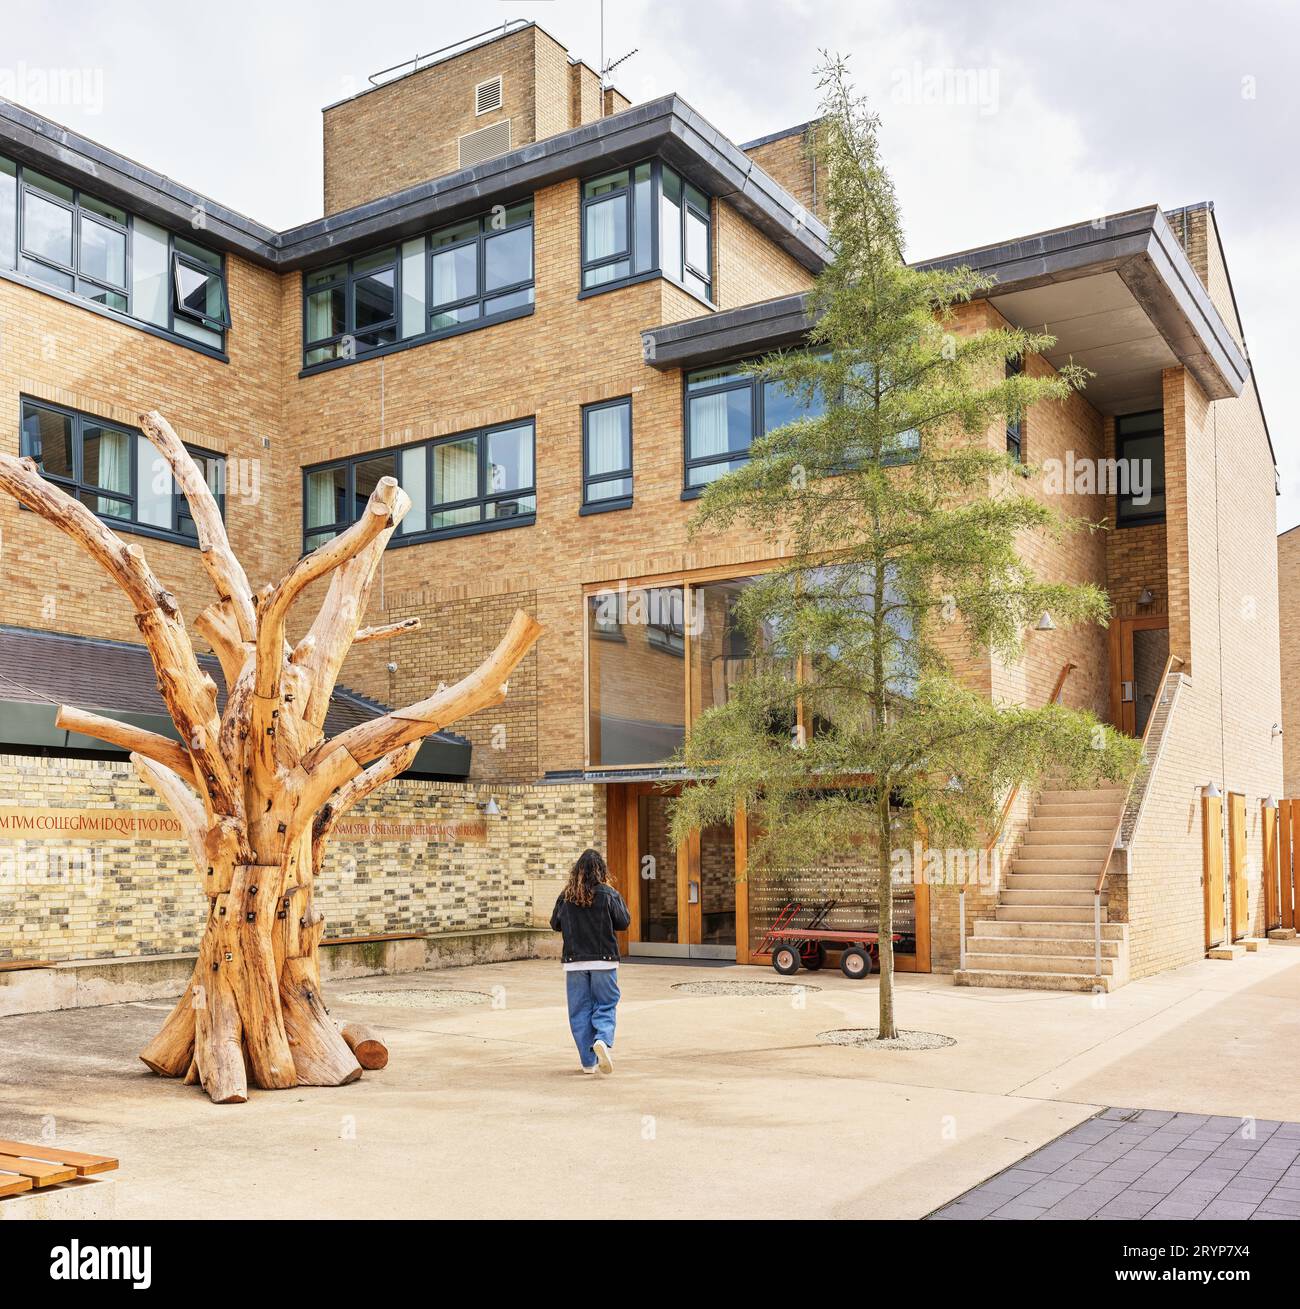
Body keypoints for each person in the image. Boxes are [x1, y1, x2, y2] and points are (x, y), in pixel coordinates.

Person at [549, 848, 630, 1074]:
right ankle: (602, 1039)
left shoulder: (566, 895)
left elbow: (555, 924)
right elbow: (624, 922)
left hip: (575, 962)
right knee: (605, 1003)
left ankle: (588, 1062)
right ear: (601, 870)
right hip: (604, 961)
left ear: (577, 871)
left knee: (579, 1010)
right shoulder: (608, 893)